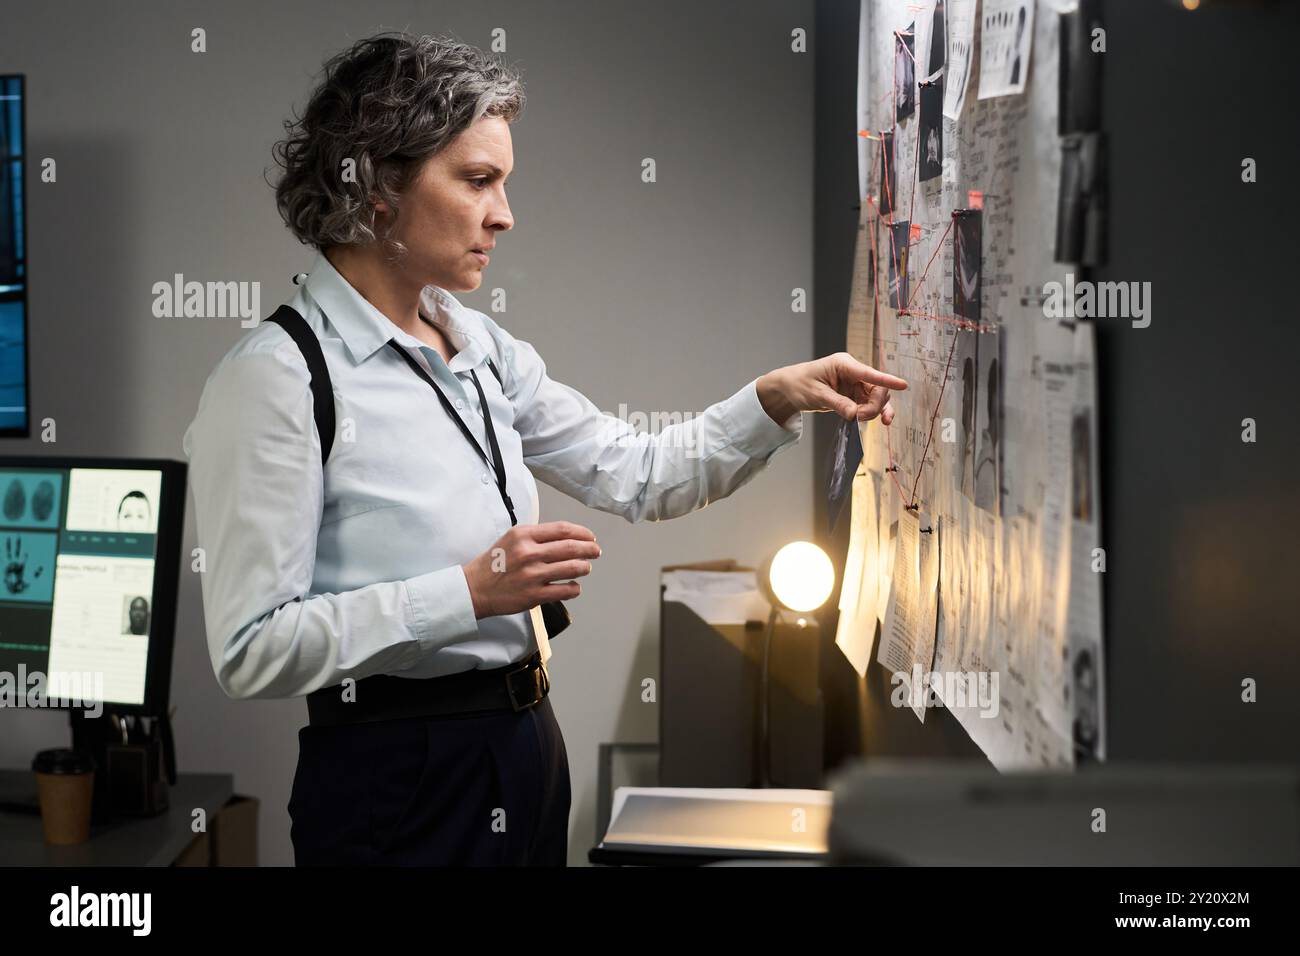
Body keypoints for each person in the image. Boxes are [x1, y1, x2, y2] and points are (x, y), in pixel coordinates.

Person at [182, 31, 908, 867]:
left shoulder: (477, 342)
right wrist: (470, 591)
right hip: (400, 777)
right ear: (379, 185)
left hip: (525, 742)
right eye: (478, 180)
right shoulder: (276, 378)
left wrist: (771, 400)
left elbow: (637, 473)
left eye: (504, 182)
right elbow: (252, 649)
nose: (504, 213)